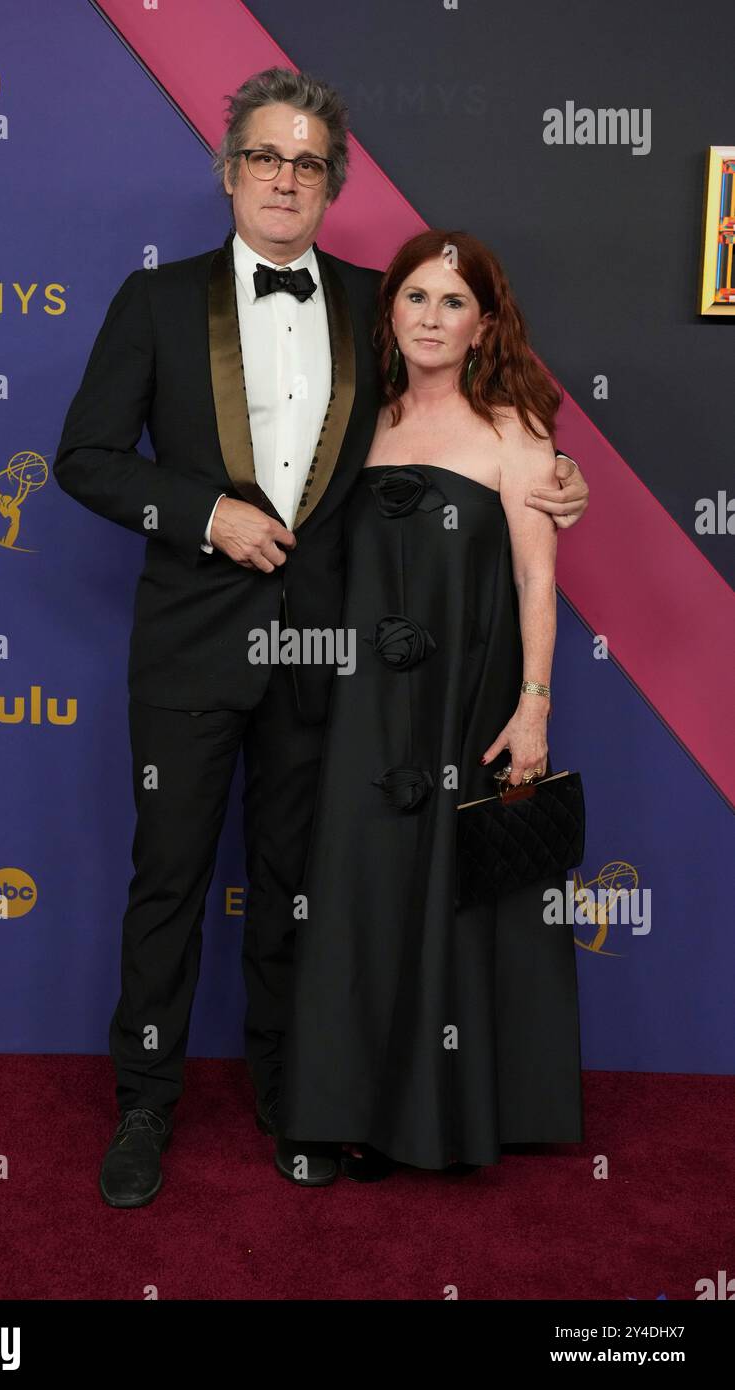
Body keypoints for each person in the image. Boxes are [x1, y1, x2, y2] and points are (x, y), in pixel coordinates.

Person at [52, 69, 590, 1208]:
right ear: (230, 168)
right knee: (169, 884)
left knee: (303, 888)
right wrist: (203, 512)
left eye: (307, 163)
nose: (284, 179)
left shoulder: (372, 302)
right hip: (192, 649)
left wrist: (554, 478)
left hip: (328, 662)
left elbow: (472, 417)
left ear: (333, 184)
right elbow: (85, 458)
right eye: (264, 156)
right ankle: (143, 1107)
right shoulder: (153, 303)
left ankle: (298, 1099)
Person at [280, 228, 585, 1180]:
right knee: (361, 899)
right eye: (416, 297)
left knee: (450, 896)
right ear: (391, 312)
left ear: (484, 323)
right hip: (359, 710)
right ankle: (350, 1107)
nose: (431, 317)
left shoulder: (518, 432)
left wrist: (533, 709)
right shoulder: (355, 422)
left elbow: (539, 586)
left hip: (465, 702)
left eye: (454, 302)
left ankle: (439, 1116)